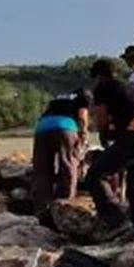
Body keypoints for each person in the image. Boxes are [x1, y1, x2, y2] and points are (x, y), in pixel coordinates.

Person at [80, 59, 134, 238]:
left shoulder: (103, 87)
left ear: (99, 76)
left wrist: (105, 136)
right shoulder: (133, 87)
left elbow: (101, 120)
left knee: (95, 175)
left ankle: (117, 220)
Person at [31, 89, 89, 218]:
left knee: (42, 170)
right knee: (68, 166)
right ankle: (64, 206)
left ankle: (41, 209)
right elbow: (82, 114)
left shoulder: (59, 98)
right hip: (65, 127)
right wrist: (83, 134)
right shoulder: (83, 98)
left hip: (42, 127)